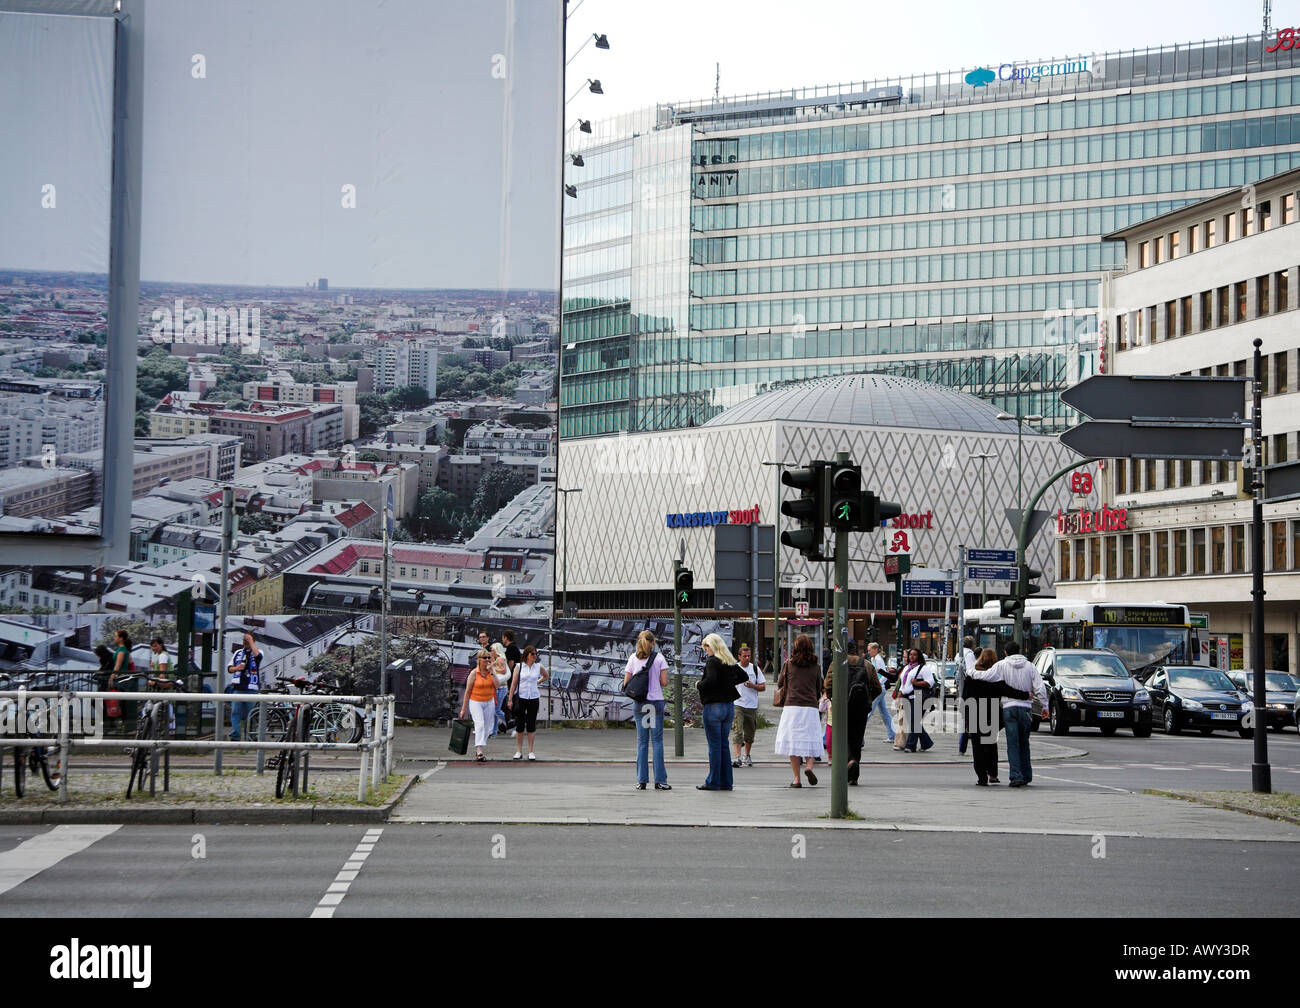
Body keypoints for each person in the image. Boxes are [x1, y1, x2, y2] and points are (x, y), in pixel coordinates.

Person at [969, 641, 1047, 787]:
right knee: (1024, 743)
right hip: (1026, 709)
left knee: (1013, 744)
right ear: (1020, 650)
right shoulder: (1030, 666)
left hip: (1009, 708)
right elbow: (1040, 687)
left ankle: (1015, 777)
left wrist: (971, 671)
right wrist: (1045, 706)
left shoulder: (1001, 665)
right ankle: (1026, 775)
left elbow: (986, 676)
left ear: (1005, 652)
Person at [823, 640, 880, 785]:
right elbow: (877, 687)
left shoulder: (836, 663)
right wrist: (867, 700)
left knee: (842, 737)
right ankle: (854, 777)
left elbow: (828, 685)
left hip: (842, 706)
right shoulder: (866, 664)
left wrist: (832, 698)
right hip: (861, 708)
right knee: (856, 739)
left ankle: (850, 761)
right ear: (855, 649)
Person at [774, 634, 825, 787]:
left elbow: (780, 683)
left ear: (795, 648)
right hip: (810, 707)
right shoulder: (816, 666)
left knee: (793, 742)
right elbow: (819, 687)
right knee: (810, 738)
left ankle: (796, 779)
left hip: (792, 707)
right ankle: (809, 767)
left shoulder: (788, 664)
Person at [623, 629, 671, 790]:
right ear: (653, 642)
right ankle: (660, 781)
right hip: (655, 702)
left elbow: (626, 683)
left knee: (642, 742)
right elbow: (664, 682)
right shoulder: (659, 658)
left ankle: (641, 780)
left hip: (640, 704)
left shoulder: (633, 658)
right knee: (657, 741)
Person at [697, 633, 745, 791]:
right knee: (724, 745)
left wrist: (699, 684)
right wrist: (728, 684)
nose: (706, 651)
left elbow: (710, 680)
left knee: (714, 746)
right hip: (728, 707)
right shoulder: (729, 661)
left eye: (707, 647)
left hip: (713, 707)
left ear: (713, 646)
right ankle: (726, 782)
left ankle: (713, 782)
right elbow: (743, 676)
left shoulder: (712, 661)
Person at [460, 649, 506, 761]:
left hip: (489, 701)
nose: (487, 660)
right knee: (479, 724)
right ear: (479, 660)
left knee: (487, 727)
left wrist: (492, 672)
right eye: (484, 658)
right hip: (476, 701)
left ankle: (480, 747)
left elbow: (497, 685)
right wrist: (463, 709)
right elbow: (467, 691)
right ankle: (479, 750)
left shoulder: (491, 672)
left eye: (488, 657)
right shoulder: (474, 673)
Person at [507, 644, 547, 760]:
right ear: (527, 655)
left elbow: (546, 676)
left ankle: (531, 751)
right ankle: (519, 751)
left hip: (533, 698)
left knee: (531, 724)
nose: (534, 656)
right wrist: (510, 699)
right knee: (520, 725)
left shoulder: (538, 666)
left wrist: (537, 682)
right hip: (521, 697)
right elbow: (514, 684)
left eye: (536, 654)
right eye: (532, 654)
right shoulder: (519, 666)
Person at [730, 644, 765, 768]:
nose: (747, 658)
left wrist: (753, 686)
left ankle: (747, 755)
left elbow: (763, 686)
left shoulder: (755, 669)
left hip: (751, 705)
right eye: (744, 656)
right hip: (737, 704)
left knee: (750, 733)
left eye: (749, 656)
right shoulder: (734, 669)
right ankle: (737, 757)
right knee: (738, 731)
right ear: (739, 656)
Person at [227, 631, 263, 743]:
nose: (245, 642)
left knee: (251, 714)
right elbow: (229, 668)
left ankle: (250, 736)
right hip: (238, 687)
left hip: (251, 688)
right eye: (244, 640)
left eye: (247, 640)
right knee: (235, 712)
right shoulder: (238, 652)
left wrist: (251, 641)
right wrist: (237, 668)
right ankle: (235, 736)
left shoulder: (257, 652)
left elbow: (258, 656)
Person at [899, 648, 935, 753]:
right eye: (910, 654)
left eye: (914, 655)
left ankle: (910, 746)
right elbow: (903, 683)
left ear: (919, 656)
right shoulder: (907, 668)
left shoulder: (923, 668)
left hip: (918, 696)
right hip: (907, 697)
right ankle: (926, 742)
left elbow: (930, 682)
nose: (912, 656)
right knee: (913, 721)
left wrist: (917, 683)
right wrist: (900, 694)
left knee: (914, 721)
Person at [865, 642, 896, 744]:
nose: (868, 652)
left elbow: (884, 675)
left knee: (868, 712)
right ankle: (892, 735)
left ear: (875, 649)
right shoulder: (874, 659)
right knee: (884, 713)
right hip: (879, 688)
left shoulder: (878, 660)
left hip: (878, 689)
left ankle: (859, 737)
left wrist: (877, 685)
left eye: (870, 650)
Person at [957, 637, 978, 753]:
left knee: (966, 720)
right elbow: (971, 670)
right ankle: (962, 747)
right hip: (968, 687)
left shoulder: (959, 653)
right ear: (972, 644)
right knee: (968, 723)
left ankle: (962, 748)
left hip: (961, 686)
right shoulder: (969, 654)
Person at [501, 629, 522, 734]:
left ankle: (511, 722)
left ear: (506, 637)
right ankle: (511, 722)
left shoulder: (511, 648)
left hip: (513, 677)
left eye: (503, 637)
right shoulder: (515, 647)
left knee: (510, 698)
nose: (502, 639)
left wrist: (507, 674)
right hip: (516, 676)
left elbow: (511, 663)